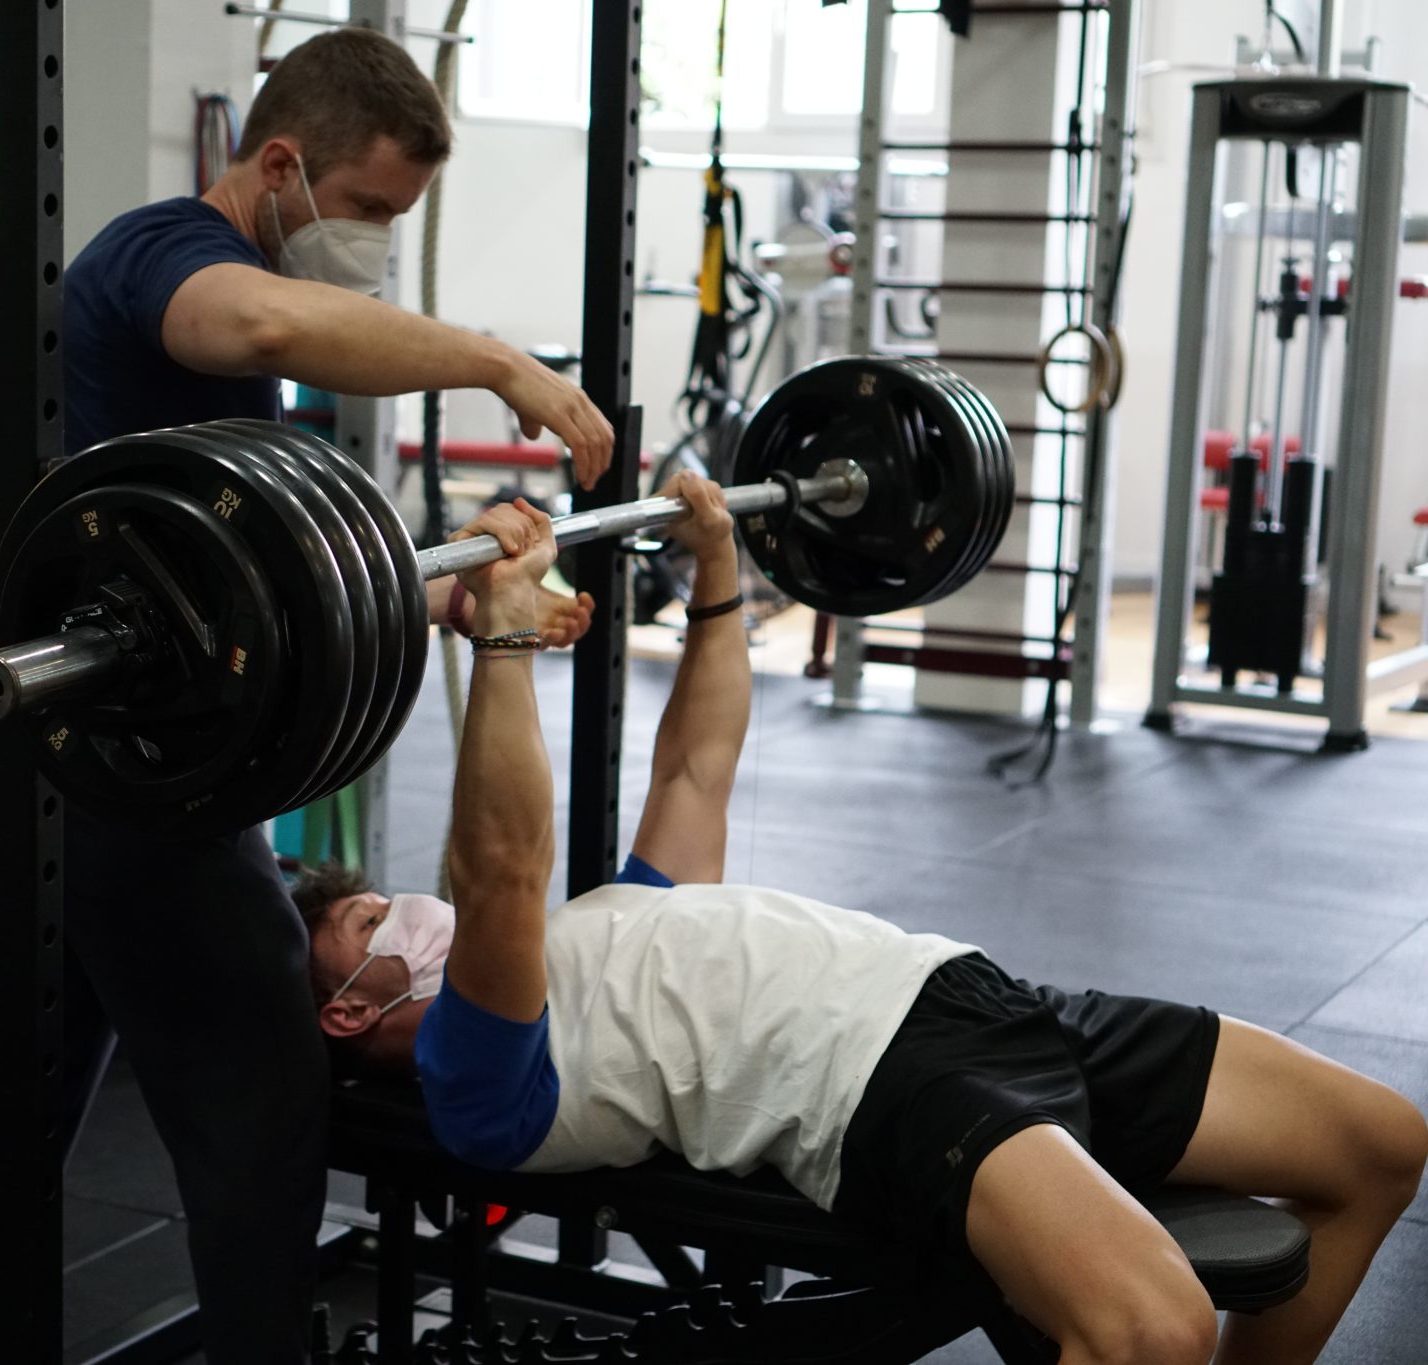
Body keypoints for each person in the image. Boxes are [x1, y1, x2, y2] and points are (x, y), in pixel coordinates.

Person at [301, 471, 1428, 1365]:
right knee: (1151, 1328)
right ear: (349, 1014)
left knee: (1380, 1146)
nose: (403, 908)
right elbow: (500, 865)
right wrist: (497, 638)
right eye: (365, 921)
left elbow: (695, 770)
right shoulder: (480, 1074)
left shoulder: (603, 928)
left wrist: (715, 568)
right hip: (882, 1087)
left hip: (983, 999)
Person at [0, 27, 606, 1365]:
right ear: (279, 164)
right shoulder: (162, 253)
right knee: (261, 1089)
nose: (375, 244)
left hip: (62, 733)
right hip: (103, 750)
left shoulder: (235, 360)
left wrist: (448, 595)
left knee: (44, 1064)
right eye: (368, 211)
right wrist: (496, 361)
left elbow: (260, 569)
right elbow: (271, 315)